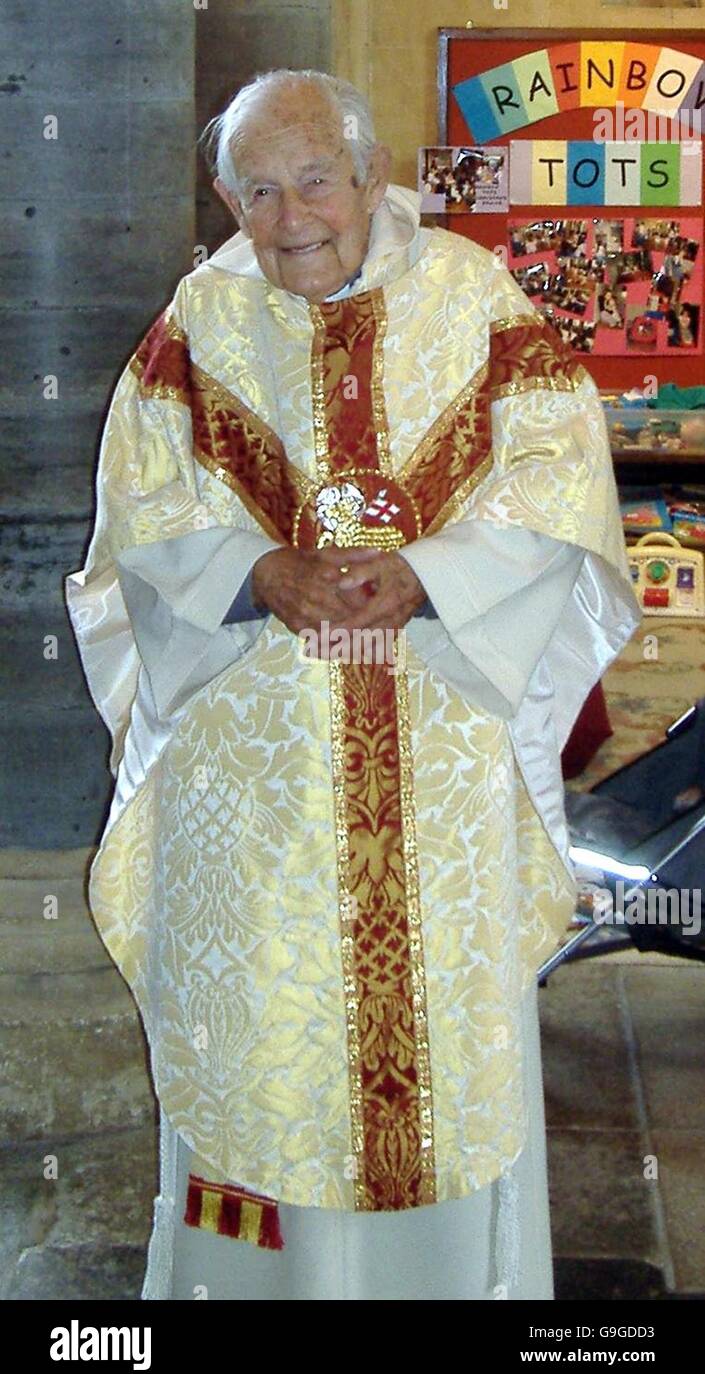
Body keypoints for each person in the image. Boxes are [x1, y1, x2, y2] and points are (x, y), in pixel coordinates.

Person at [65, 68, 641, 1302]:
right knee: (261, 1056)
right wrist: (258, 568)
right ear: (225, 196)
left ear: (371, 176)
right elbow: (139, 514)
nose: (289, 218)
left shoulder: (477, 302)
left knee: (444, 1055)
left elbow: (557, 475)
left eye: (314, 181)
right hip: (254, 792)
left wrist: (431, 576)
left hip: (435, 762)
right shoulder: (194, 324)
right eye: (256, 191)